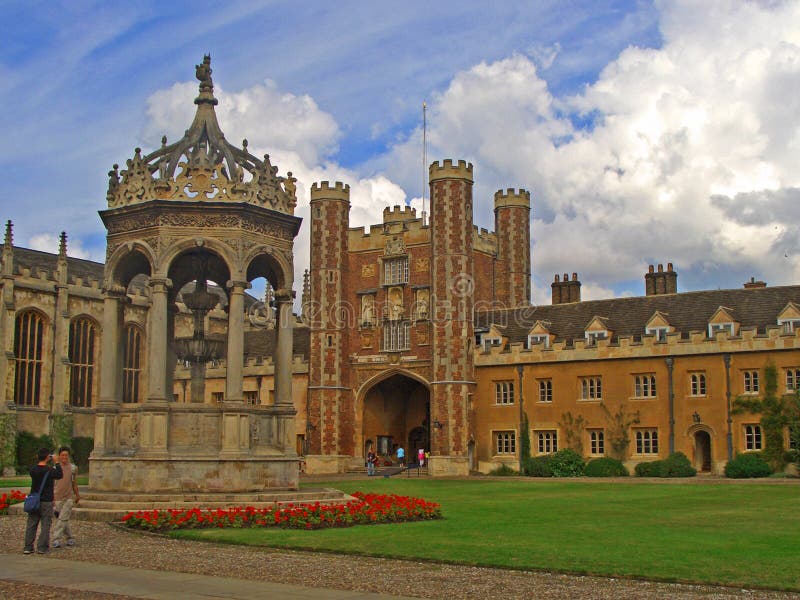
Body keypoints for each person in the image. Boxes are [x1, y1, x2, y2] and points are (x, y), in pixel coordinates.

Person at [24, 448, 63, 555]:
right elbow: (60, 475)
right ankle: (42, 547)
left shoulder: (33, 470)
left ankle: (28, 547)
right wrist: (57, 462)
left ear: (38, 456)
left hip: (34, 500)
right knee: (45, 524)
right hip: (46, 501)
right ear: (47, 457)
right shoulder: (49, 470)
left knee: (31, 524)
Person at [51, 446, 80, 549]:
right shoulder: (55, 468)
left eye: (66, 455)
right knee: (63, 519)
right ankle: (70, 537)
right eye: (62, 455)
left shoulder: (73, 468)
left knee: (62, 518)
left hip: (68, 497)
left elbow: (74, 483)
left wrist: (77, 495)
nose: (64, 457)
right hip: (57, 497)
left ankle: (56, 539)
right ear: (59, 456)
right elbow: (52, 484)